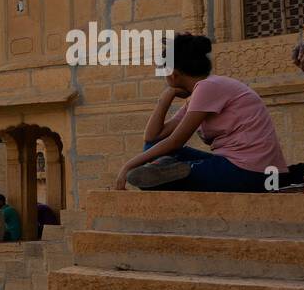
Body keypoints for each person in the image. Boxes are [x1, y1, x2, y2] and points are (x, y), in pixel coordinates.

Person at [116, 32, 287, 191]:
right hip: (234, 166)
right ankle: (169, 167)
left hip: (252, 172)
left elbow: (175, 142)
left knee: (151, 165)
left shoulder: (208, 87)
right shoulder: (202, 91)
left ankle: (169, 168)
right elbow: (153, 137)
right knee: (152, 149)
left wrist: (127, 166)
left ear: (173, 74)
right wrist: (168, 95)